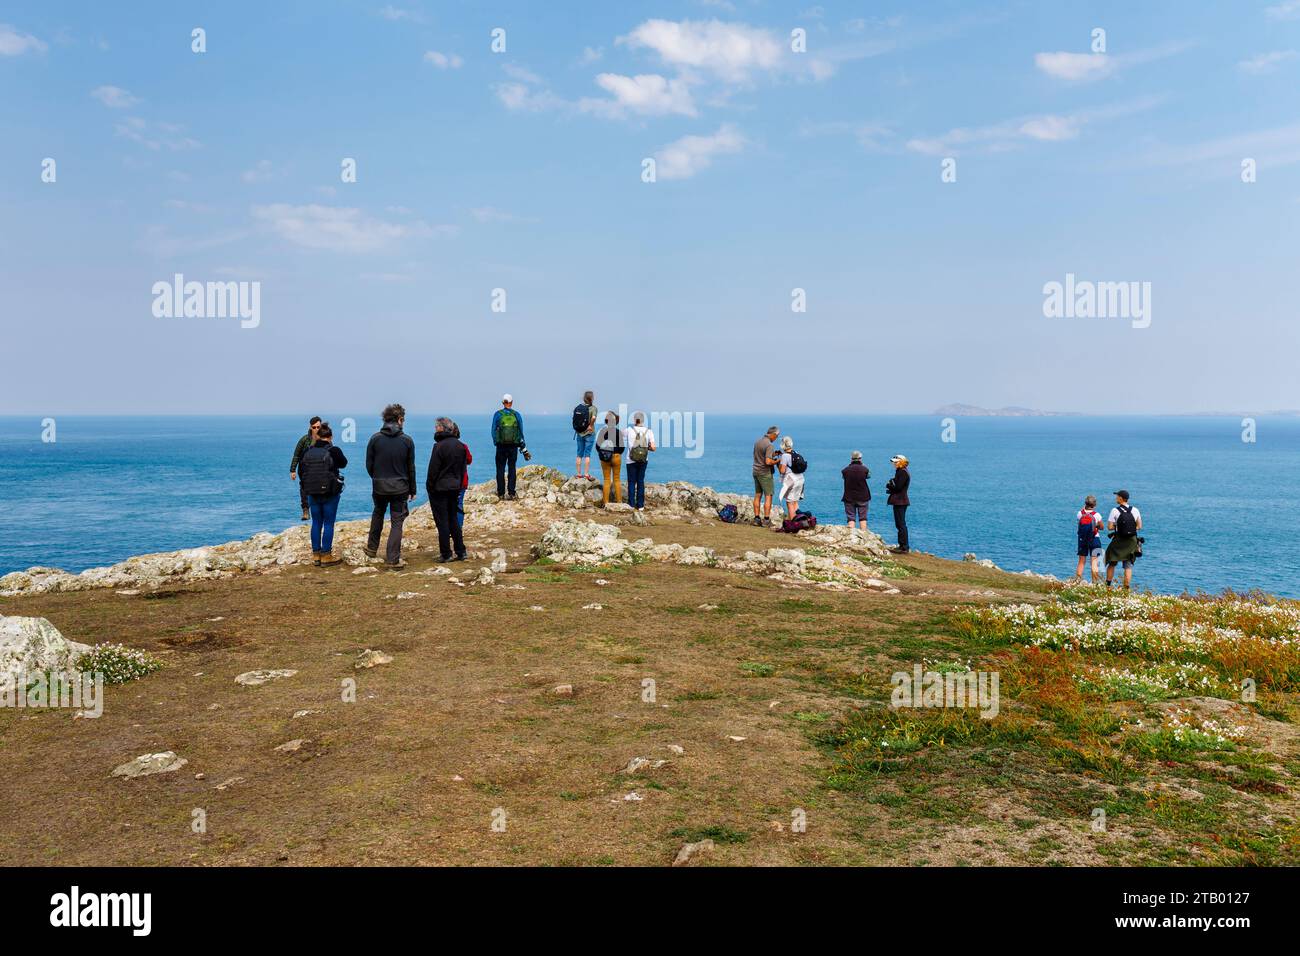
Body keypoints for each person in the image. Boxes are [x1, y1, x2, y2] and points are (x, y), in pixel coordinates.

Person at [364, 403, 417, 569]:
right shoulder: (407, 441)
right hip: (400, 487)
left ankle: (372, 548)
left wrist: (377, 478)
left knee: (378, 513)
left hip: (379, 486)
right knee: (397, 522)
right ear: (400, 420)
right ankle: (392, 558)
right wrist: (412, 489)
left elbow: (369, 465)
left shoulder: (375, 439)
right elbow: (411, 468)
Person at [297, 421, 348, 566]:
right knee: (329, 523)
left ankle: (316, 555)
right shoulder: (334, 450)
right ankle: (326, 555)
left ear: (317, 436)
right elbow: (343, 463)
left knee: (316, 522)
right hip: (330, 493)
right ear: (331, 437)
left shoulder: (308, 451)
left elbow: (302, 472)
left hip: (312, 493)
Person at [426, 417, 469, 562]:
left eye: (436, 427)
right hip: (455, 487)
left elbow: (433, 471)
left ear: (441, 428)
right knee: (453, 520)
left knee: (442, 522)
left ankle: (446, 553)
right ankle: (461, 551)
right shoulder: (460, 446)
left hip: (439, 489)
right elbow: (462, 468)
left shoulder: (438, 446)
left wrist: (430, 488)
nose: (435, 429)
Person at [491, 394, 529, 500]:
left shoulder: (497, 414)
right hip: (513, 446)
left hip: (501, 446)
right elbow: (520, 432)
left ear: (503, 402)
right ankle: (511, 493)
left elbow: (493, 430)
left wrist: (496, 442)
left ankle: (501, 493)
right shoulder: (516, 415)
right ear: (512, 402)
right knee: (512, 468)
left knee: (500, 469)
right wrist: (523, 446)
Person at [1104, 489, 1143, 589]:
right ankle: (1126, 588)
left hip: (1119, 540)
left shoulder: (1114, 510)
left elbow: (1109, 527)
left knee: (1112, 562)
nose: (1116, 498)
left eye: (1117, 496)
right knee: (1128, 565)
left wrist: (1118, 527)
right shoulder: (1135, 510)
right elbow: (1139, 526)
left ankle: (1108, 586)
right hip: (1131, 541)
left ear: (1121, 498)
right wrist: (1129, 529)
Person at [289, 416, 322, 521]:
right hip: (305, 470)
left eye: (318, 427)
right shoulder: (304, 440)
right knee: (304, 489)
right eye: (314, 427)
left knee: (319, 489)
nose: (316, 429)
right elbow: (296, 455)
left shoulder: (324, 439)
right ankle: (305, 510)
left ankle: (318, 510)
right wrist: (292, 470)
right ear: (310, 427)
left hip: (319, 469)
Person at [623, 411, 656, 511]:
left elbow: (619, 435)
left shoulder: (629, 430)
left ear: (634, 420)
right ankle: (640, 505)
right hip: (643, 460)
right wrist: (647, 447)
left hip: (630, 459)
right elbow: (654, 448)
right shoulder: (648, 431)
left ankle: (631, 504)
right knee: (640, 481)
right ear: (643, 420)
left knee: (631, 482)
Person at [752, 425, 779, 526]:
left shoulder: (758, 442)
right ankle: (766, 520)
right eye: (776, 436)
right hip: (765, 473)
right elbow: (767, 461)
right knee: (768, 496)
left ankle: (756, 519)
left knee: (758, 495)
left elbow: (760, 456)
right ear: (772, 434)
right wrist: (777, 460)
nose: (776, 438)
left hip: (756, 471)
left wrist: (773, 454)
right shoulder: (769, 445)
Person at [595, 410, 624, 506]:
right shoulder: (618, 432)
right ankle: (619, 502)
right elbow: (622, 448)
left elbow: (597, 447)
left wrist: (604, 453)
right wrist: (615, 453)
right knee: (617, 479)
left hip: (605, 458)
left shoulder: (602, 431)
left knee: (606, 480)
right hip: (616, 457)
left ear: (606, 421)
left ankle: (606, 503)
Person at [1073, 495, 1104, 584]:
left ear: (1085, 503)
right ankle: (1095, 583)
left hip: (1082, 539)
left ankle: (1077, 581)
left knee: (1081, 561)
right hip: (1095, 539)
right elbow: (1102, 527)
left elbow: (1080, 522)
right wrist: (1096, 525)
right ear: (1094, 505)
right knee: (1094, 562)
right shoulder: (1097, 515)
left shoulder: (1080, 513)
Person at [885, 454, 910, 554]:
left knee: (901, 524)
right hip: (900, 500)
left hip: (900, 501)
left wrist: (890, 485)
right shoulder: (901, 472)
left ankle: (904, 547)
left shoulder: (902, 472)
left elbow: (898, 487)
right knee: (900, 524)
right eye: (894, 462)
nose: (894, 464)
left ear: (901, 462)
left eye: (895, 462)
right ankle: (903, 545)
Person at [775, 436, 804, 520]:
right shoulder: (796, 453)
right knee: (795, 501)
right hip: (800, 479)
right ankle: (799, 521)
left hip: (791, 481)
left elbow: (782, 471)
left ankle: (793, 523)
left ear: (782, 445)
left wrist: (778, 464)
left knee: (789, 503)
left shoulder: (784, 456)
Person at [841, 450, 871, 530]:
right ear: (860, 458)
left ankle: (851, 535)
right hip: (863, 496)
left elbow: (844, 477)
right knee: (863, 517)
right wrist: (863, 465)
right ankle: (864, 534)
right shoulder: (865, 469)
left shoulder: (845, 470)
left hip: (849, 496)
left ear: (851, 458)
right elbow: (869, 476)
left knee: (851, 517)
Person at [573, 390, 598, 482]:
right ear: (591, 398)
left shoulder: (578, 407)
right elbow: (594, 418)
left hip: (579, 433)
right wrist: (590, 425)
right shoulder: (593, 408)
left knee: (579, 454)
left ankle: (579, 474)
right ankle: (586, 474)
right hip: (589, 433)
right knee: (587, 454)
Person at [452, 421, 472, 530]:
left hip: (447, 482)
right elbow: (469, 460)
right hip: (462, 481)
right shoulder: (463, 446)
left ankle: (450, 528)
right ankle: (458, 528)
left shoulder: (441, 446)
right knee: (459, 505)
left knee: (448, 505)